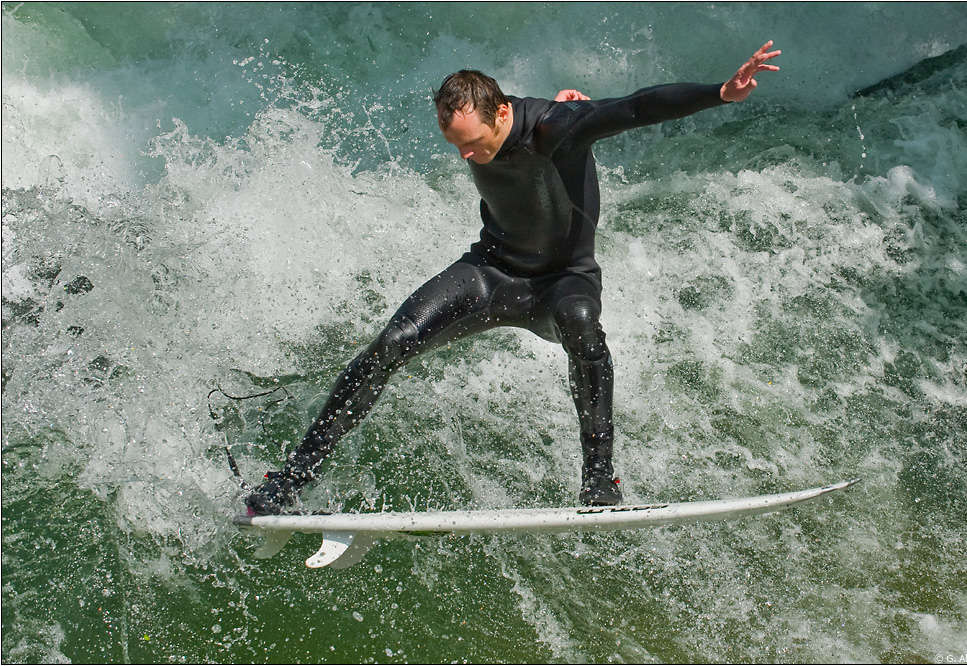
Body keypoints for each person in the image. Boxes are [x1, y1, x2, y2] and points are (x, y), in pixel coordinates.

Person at [245, 41, 781, 515]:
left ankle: (599, 478)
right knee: (393, 342)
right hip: (493, 272)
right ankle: (293, 477)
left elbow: (637, 106)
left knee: (581, 325)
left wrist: (722, 91)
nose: (465, 155)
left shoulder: (559, 126)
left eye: (472, 143)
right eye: (455, 145)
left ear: (501, 112)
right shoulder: (481, 120)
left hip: (562, 281)